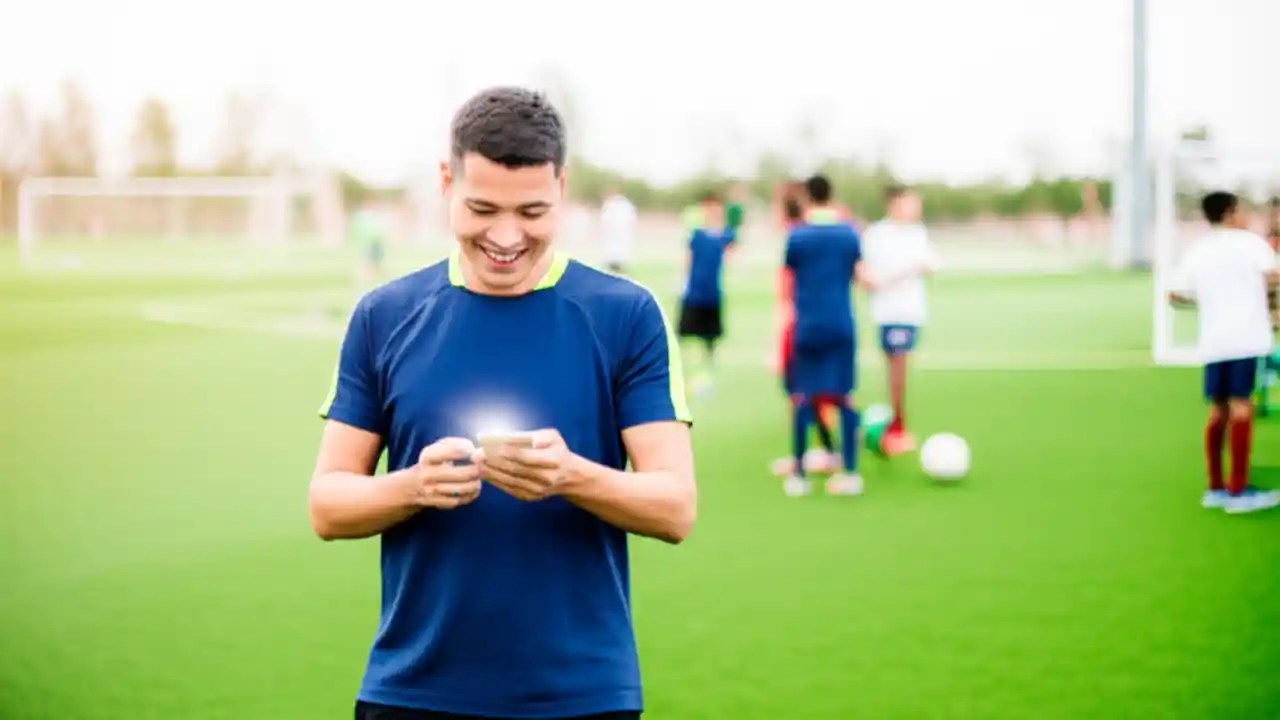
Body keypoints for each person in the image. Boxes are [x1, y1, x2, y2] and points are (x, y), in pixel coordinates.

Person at [310, 86, 696, 720]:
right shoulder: (384, 315)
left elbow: (675, 507)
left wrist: (570, 476)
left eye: (533, 211)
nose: (507, 235)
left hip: (582, 697)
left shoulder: (626, 315)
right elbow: (328, 504)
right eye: (482, 207)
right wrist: (413, 486)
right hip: (412, 692)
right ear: (446, 181)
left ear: (563, 188)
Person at [1167, 191, 1280, 514]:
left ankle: (1216, 487)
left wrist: (1211, 299)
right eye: (1242, 209)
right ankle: (1238, 490)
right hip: (1246, 337)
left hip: (1214, 341)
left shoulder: (1199, 249)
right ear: (1231, 212)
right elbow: (1274, 275)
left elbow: (1175, 295)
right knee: (1241, 407)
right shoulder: (1250, 243)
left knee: (1218, 411)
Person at [780, 174, 870, 497]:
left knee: (804, 397)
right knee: (844, 396)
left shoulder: (797, 238)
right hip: (841, 323)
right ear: (832, 195)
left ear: (807, 197)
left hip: (808, 325)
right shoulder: (849, 234)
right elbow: (861, 277)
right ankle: (849, 472)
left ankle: (799, 476)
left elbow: (790, 278)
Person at [859, 185, 938, 454]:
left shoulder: (918, 233)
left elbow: (930, 265)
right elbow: (866, 275)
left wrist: (905, 271)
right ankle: (897, 427)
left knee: (899, 364)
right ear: (893, 204)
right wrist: (885, 278)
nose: (916, 208)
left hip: (912, 311)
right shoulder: (876, 235)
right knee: (896, 365)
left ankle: (895, 422)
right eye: (910, 203)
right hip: (889, 312)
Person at [770, 190, 841, 476]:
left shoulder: (796, 240)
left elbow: (788, 296)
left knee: (800, 391)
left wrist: (776, 342)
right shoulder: (810, 236)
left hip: (801, 325)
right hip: (822, 322)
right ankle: (830, 450)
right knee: (815, 390)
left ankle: (820, 454)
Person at [677, 191, 736, 397]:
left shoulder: (724, 234)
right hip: (694, 293)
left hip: (713, 294)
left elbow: (734, 245)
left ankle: (707, 378)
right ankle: (685, 377)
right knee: (685, 337)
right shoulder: (697, 235)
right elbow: (687, 257)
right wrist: (682, 282)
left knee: (710, 340)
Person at [599, 187, 637, 274]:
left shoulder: (621, 204)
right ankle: (613, 265)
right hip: (613, 232)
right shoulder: (610, 204)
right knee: (612, 250)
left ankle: (618, 266)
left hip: (621, 231)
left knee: (619, 250)